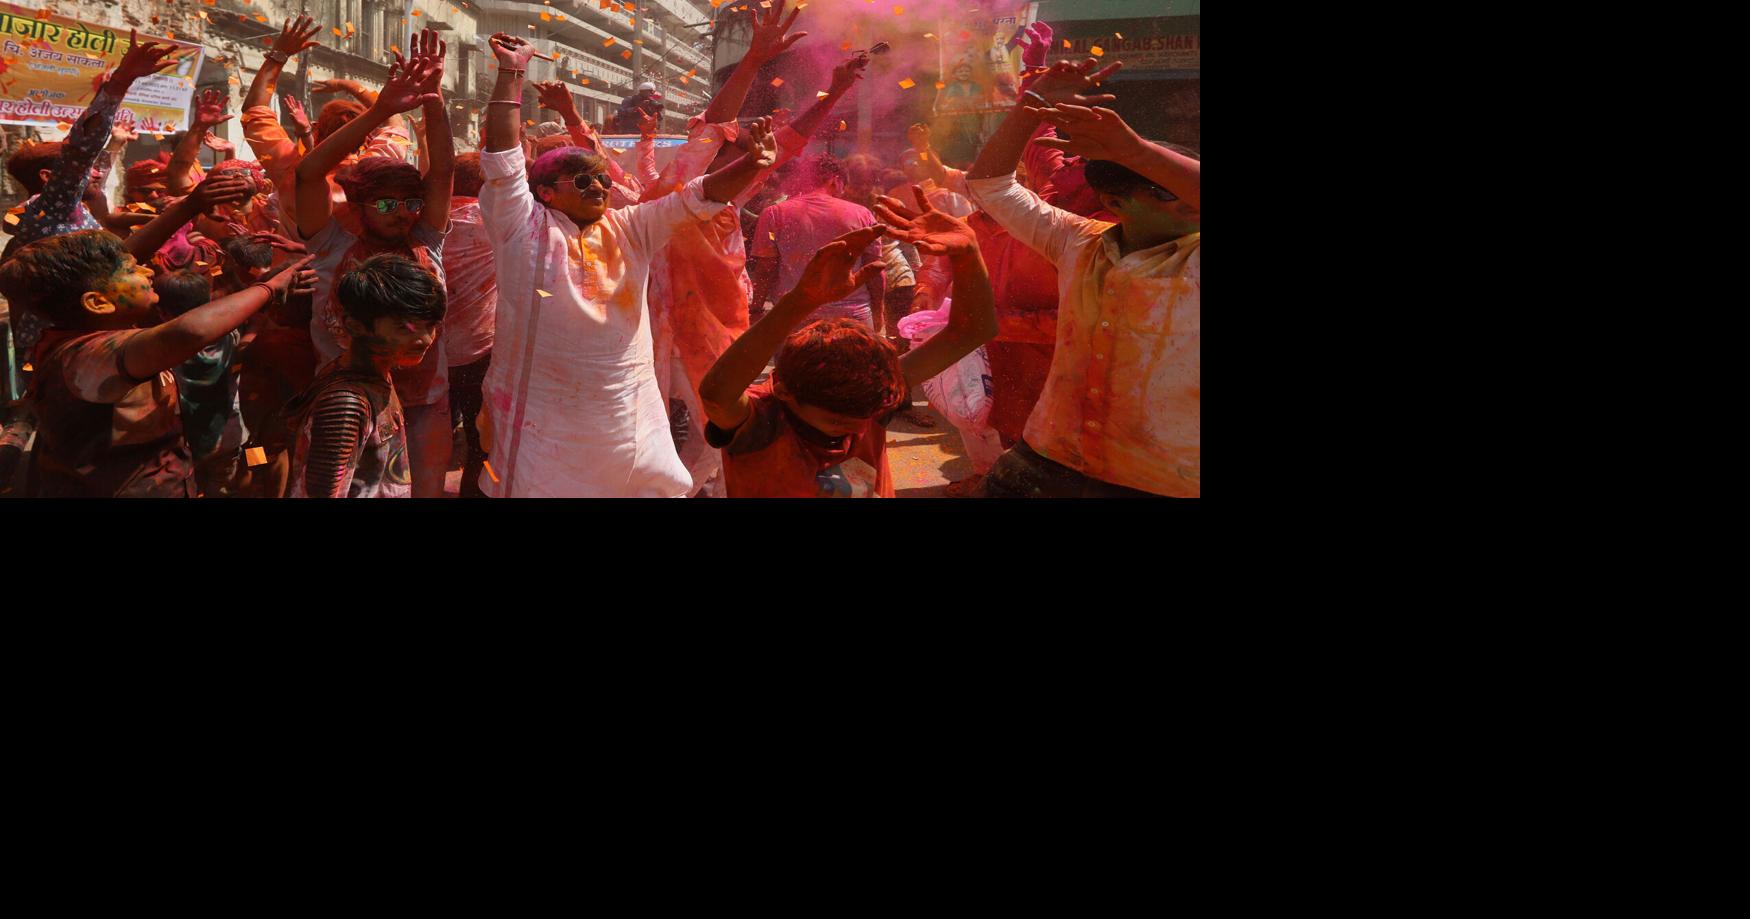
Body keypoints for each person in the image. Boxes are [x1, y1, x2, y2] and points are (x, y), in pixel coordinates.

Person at [472, 32, 781, 497]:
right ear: (545, 191)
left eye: (601, 179)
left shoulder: (630, 226)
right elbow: (502, 159)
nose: (599, 187)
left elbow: (696, 197)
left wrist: (752, 164)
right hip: (540, 418)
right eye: (582, 180)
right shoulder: (519, 225)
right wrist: (512, 72)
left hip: (625, 417)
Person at [964, 58, 1202, 498]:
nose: (1189, 198)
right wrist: (1030, 108)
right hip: (1046, 461)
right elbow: (990, 185)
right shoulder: (1079, 242)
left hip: (1163, 483)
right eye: (1167, 189)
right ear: (1116, 202)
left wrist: (1136, 151)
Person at [698, 192, 997, 498]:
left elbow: (972, 331)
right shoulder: (762, 421)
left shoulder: (870, 400)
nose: (857, 432)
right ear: (786, 391)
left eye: (864, 419)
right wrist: (799, 301)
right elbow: (716, 394)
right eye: (837, 421)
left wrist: (969, 254)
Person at [0, 229, 312, 497]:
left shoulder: (94, 324)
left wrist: (192, 203)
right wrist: (268, 290)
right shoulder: (85, 355)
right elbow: (189, 332)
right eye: (132, 270)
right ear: (97, 302)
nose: (148, 271)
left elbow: (108, 272)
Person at [293, 28, 454, 498]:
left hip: (422, 401)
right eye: (385, 205)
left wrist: (434, 99)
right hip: (348, 399)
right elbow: (307, 173)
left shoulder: (426, 240)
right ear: (360, 206)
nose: (402, 215)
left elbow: (441, 171)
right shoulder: (331, 243)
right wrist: (381, 111)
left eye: (410, 203)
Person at [283, 254, 442, 498]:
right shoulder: (346, 405)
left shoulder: (375, 374)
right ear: (355, 326)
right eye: (404, 327)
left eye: (429, 325)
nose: (425, 339)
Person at [750, 154, 885, 331]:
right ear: (836, 181)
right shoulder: (862, 214)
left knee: (795, 360)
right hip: (852, 318)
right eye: (843, 186)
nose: (842, 192)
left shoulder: (774, 213)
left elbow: (766, 269)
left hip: (794, 316)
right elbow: (874, 270)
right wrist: (878, 310)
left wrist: (756, 308)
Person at [152, 270, 242, 496]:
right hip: (227, 435)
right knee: (219, 488)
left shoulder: (159, 350)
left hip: (187, 443)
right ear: (209, 300)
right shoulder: (229, 333)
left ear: (162, 313)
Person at [440, 153, 495, 498]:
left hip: (425, 351)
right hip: (480, 350)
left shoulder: (425, 218)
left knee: (428, 437)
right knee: (481, 442)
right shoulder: (494, 221)